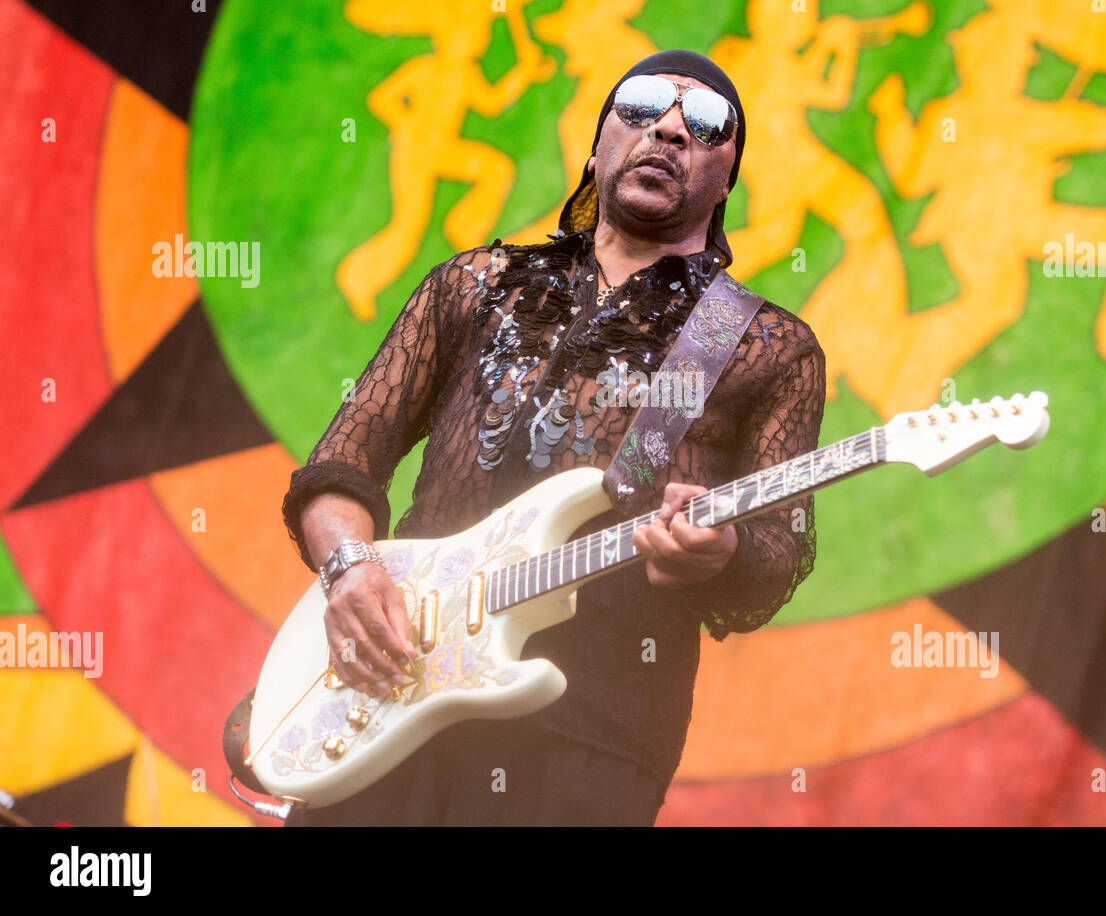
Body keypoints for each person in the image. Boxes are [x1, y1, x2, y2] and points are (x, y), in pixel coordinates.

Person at [280, 50, 826, 826]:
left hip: (589, 733)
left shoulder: (765, 347)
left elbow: (781, 549)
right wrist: (348, 569)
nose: (668, 128)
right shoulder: (473, 283)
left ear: (728, 177)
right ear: (598, 141)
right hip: (393, 692)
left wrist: (724, 553)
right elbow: (341, 464)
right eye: (639, 107)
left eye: (704, 124)